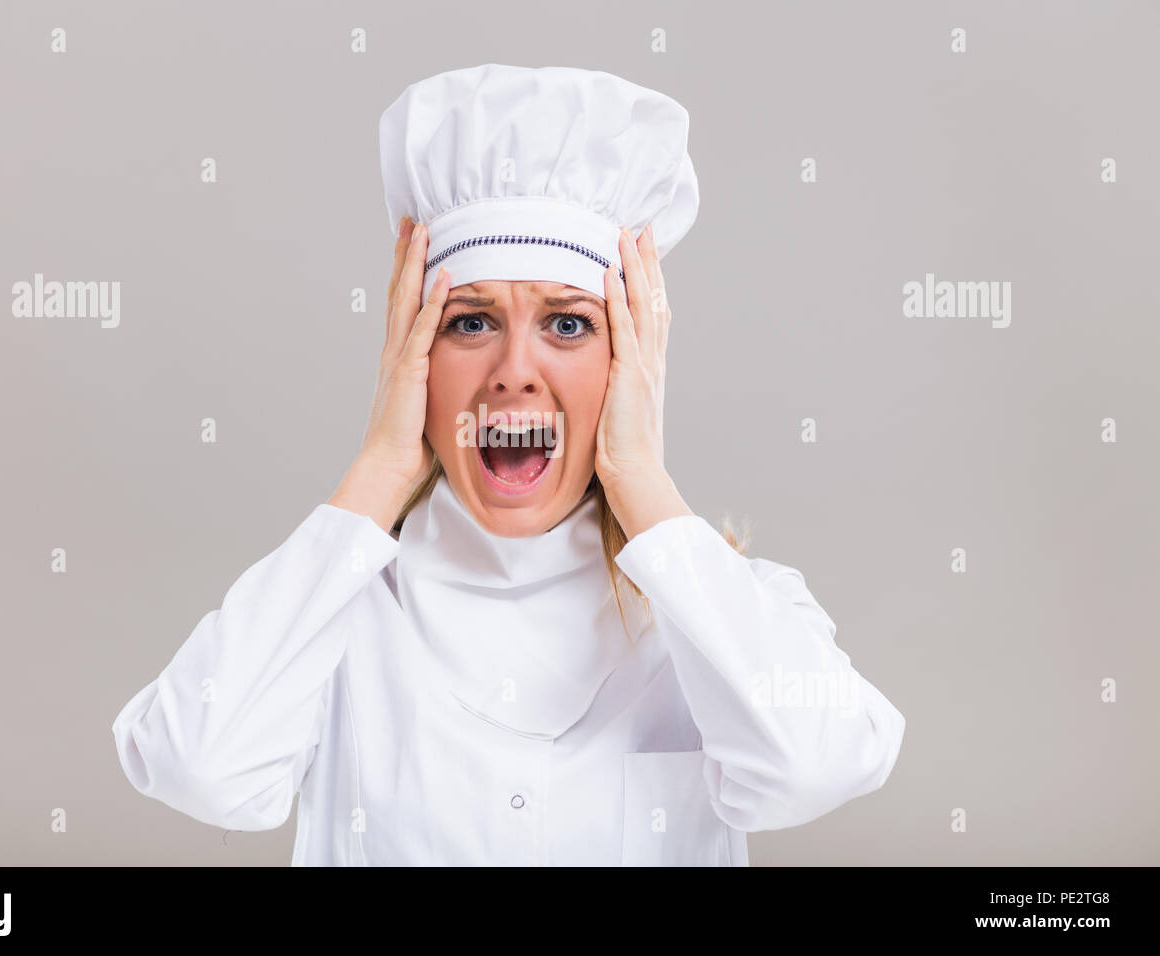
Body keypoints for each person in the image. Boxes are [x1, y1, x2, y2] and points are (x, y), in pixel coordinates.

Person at [112, 64, 906, 866]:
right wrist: (380, 466)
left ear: (630, 358)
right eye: (469, 322)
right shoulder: (333, 613)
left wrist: (642, 479)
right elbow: (195, 767)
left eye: (567, 324)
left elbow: (819, 764)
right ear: (411, 355)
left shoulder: (728, 610)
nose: (513, 370)